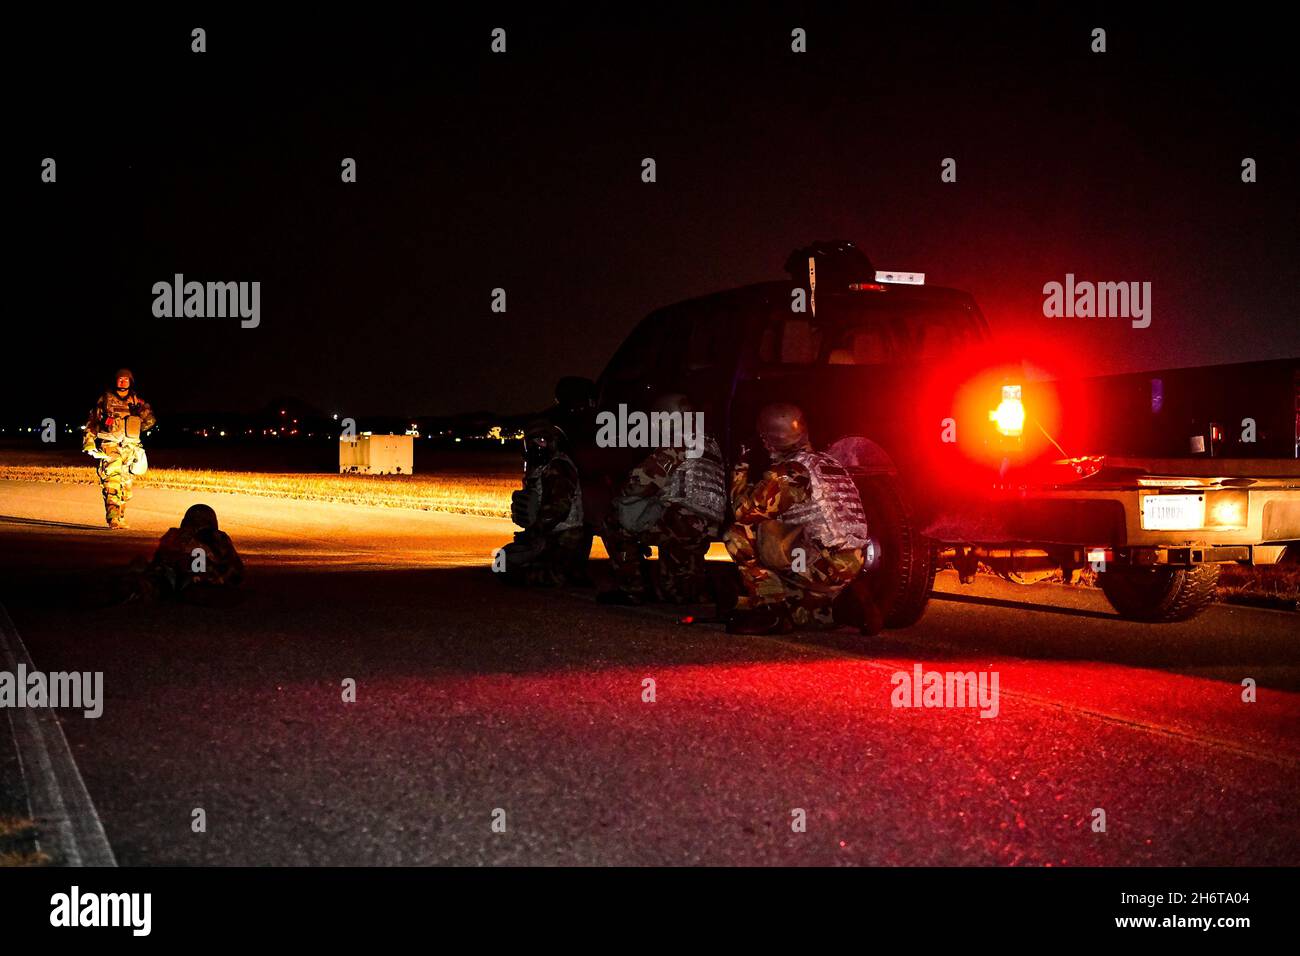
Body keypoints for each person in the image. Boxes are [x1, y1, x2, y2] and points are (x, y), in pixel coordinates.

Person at [724, 402, 883, 635]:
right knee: (803, 613)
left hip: (819, 563)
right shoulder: (830, 463)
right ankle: (842, 606)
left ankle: (769, 606)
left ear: (768, 441)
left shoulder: (790, 473)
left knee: (738, 533)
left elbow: (742, 511)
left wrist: (741, 467)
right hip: (851, 561)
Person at [598, 393, 726, 605]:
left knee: (614, 523)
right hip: (707, 526)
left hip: (679, 522)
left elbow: (640, 482)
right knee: (677, 591)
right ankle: (695, 589)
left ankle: (632, 588)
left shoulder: (677, 444)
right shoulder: (711, 443)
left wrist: (620, 493)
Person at [500, 420, 590, 586]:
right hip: (549, 534)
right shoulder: (540, 468)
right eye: (532, 443)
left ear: (552, 443)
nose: (537, 447)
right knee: (503, 560)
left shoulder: (559, 467)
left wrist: (534, 532)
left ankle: (567, 572)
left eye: (542, 441)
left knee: (524, 574)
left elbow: (558, 509)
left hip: (566, 535)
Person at [119, 504, 245, 604]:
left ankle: (136, 588)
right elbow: (236, 568)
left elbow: (159, 560)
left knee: (143, 568)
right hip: (206, 582)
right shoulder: (219, 536)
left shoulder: (175, 534)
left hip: (176, 580)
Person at [82, 368, 155, 529]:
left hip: (130, 448)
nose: (123, 382)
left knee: (126, 486)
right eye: (120, 379)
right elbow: (92, 422)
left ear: (131, 382)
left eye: (126, 379)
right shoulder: (105, 400)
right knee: (112, 482)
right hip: (111, 446)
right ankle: (113, 517)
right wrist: (89, 442)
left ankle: (120, 516)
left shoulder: (137, 401)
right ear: (115, 381)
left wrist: (141, 414)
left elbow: (149, 423)